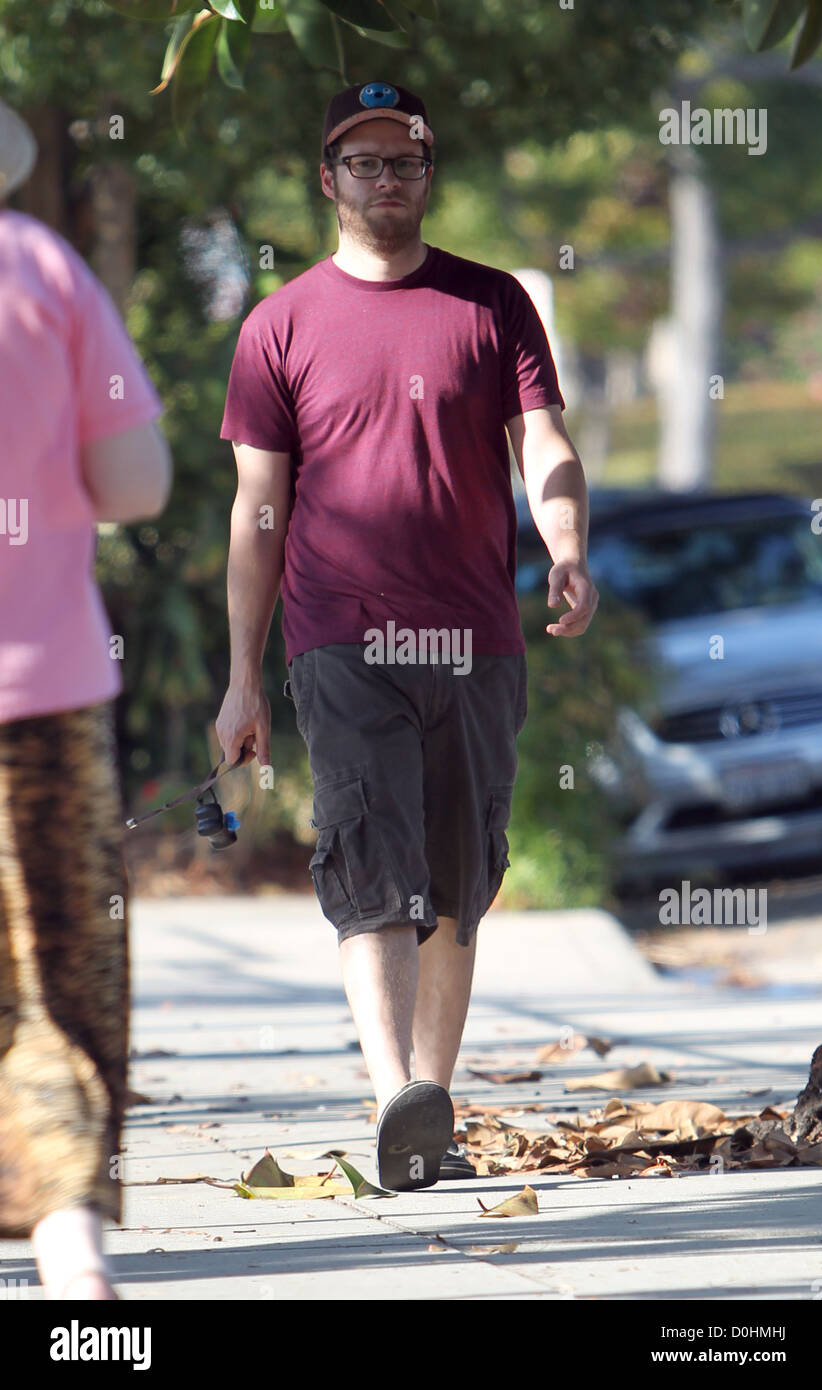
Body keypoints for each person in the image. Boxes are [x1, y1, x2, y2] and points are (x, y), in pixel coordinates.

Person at [216, 80, 598, 1191]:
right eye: (365, 162)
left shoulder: (492, 306)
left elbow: (546, 445)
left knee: (456, 880)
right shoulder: (278, 326)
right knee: (371, 863)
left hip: (477, 641)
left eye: (406, 161)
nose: (388, 179)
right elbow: (256, 511)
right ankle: (394, 1094)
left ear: (428, 173)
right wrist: (243, 678)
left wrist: (565, 544)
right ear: (328, 178)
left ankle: (429, 1107)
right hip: (341, 641)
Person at [0, 99, 172, 1297]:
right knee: (59, 966)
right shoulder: (43, 270)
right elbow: (138, 482)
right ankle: (70, 1234)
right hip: (46, 688)